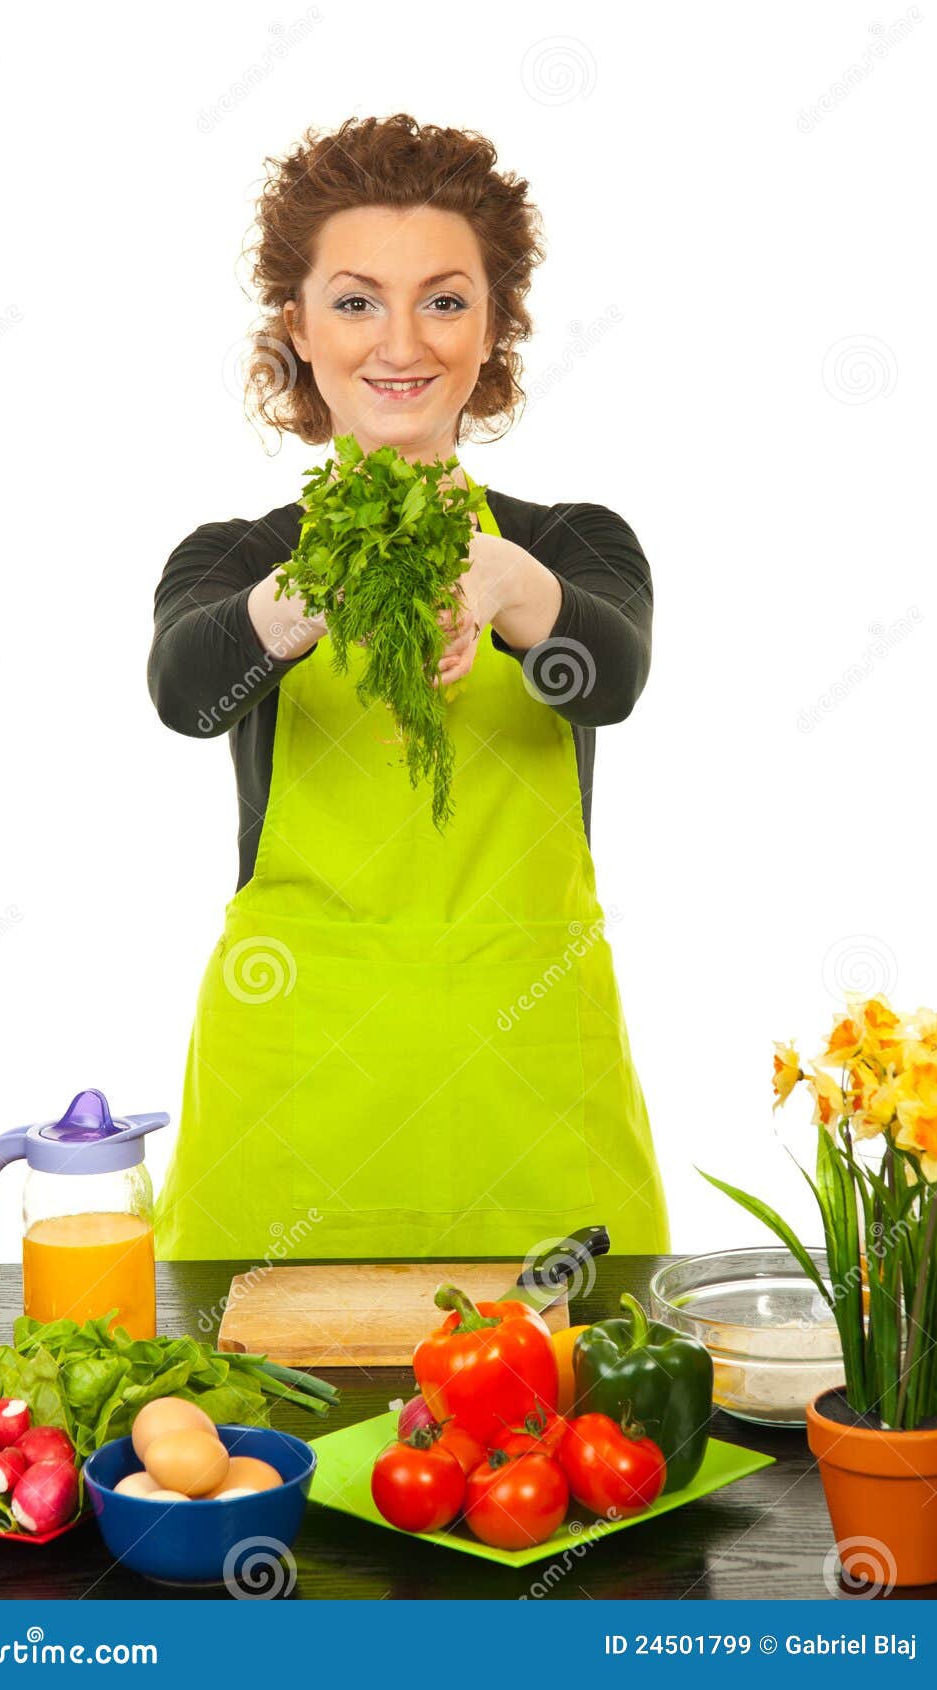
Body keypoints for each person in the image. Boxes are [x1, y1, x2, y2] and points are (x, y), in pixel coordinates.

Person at [147, 113, 670, 1262]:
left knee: (573, 1419)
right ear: (296, 327)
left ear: (494, 328)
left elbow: (609, 677)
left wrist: (508, 588)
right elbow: (188, 693)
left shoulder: (574, 545)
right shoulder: (235, 560)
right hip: (294, 1096)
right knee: (266, 1430)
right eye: (353, 301)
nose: (400, 342)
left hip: (531, 1091)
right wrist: (308, 594)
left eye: (443, 299)